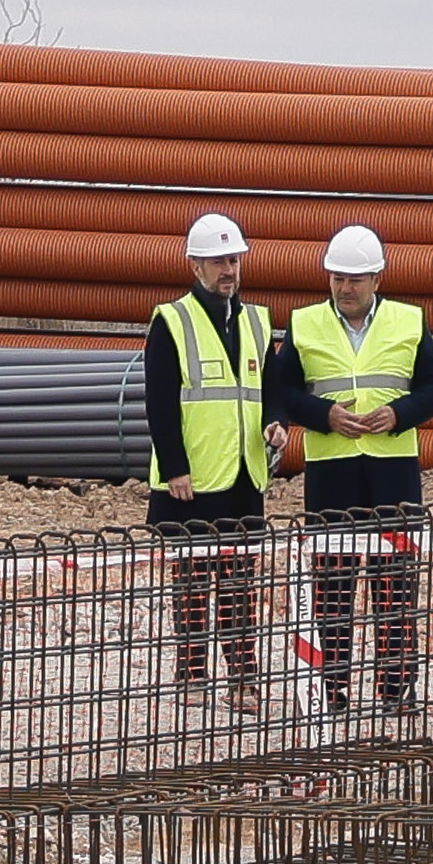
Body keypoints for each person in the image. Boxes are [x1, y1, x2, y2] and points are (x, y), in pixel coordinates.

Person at [279, 222, 433, 714]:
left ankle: (396, 688)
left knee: (395, 584)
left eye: (355, 279)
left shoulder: (409, 321)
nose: (345, 288)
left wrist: (400, 414)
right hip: (331, 472)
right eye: (337, 278)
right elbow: (283, 391)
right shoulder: (305, 323)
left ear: (377, 278)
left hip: (392, 470)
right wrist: (324, 415)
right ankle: (331, 689)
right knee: (332, 588)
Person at [139, 216, 287, 703]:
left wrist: (275, 422)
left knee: (240, 585)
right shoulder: (172, 321)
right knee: (191, 582)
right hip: (192, 479)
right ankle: (192, 676)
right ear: (196, 266)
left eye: (233, 260)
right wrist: (175, 467)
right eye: (219, 261)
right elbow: (159, 401)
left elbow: (270, 388)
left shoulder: (256, 321)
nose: (229, 270)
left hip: (243, 475)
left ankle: (243, 680)